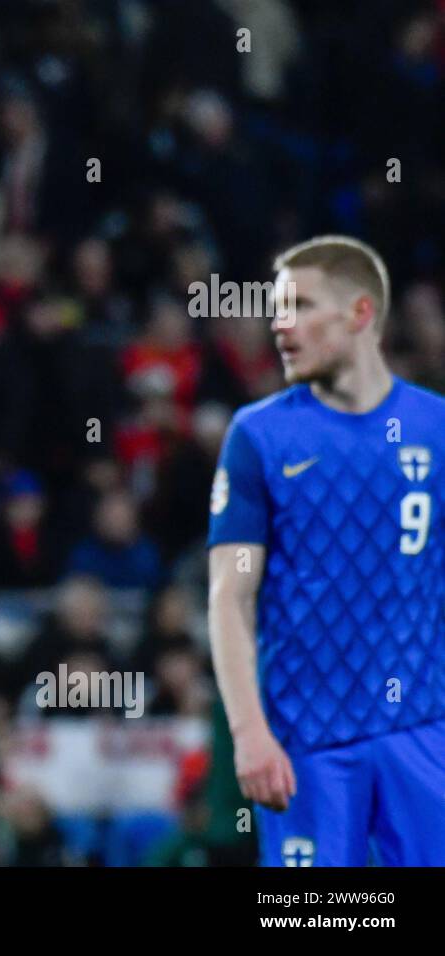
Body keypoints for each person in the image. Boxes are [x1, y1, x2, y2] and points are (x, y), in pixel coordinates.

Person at [207, 235, 445, 866]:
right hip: (306, 743)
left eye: (301, 306)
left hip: (424, 734)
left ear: (361, 314)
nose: (281, 326)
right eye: (277, 308)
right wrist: (249, 733)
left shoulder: (437, 430)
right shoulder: (258, 436)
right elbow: (230, 595)